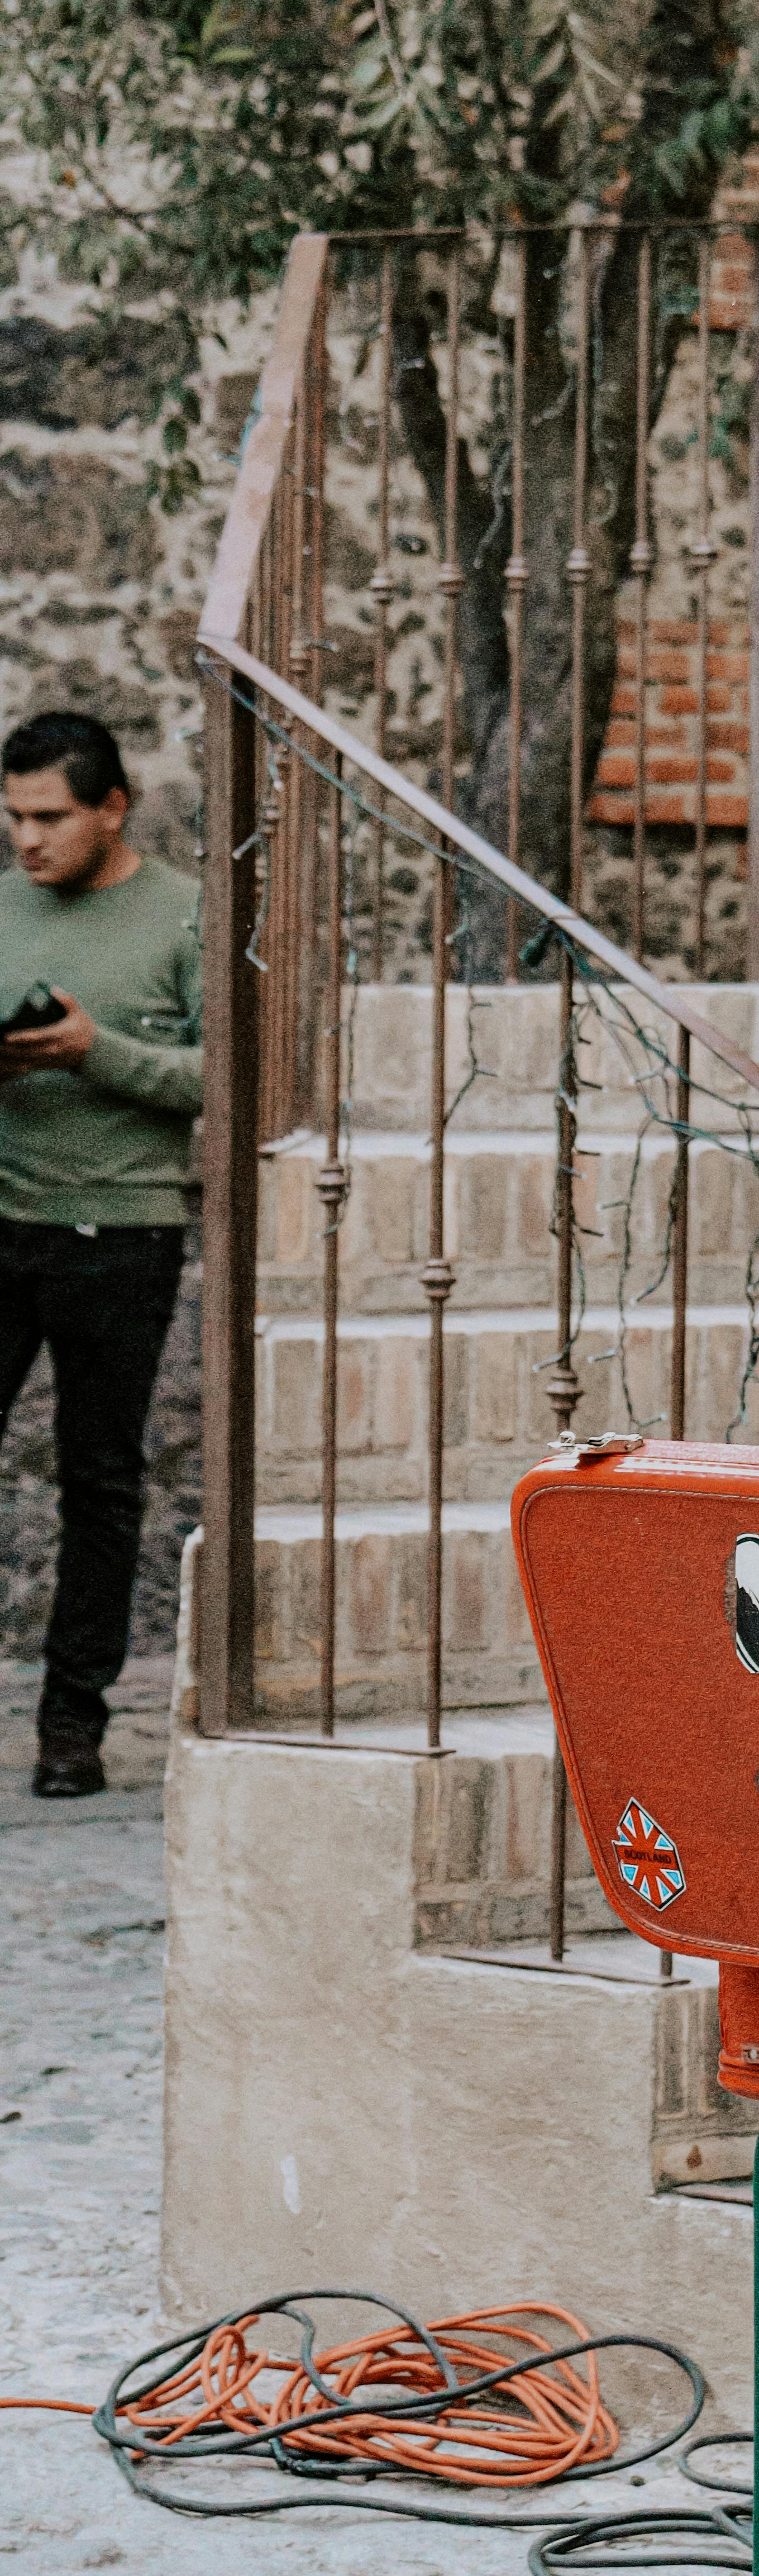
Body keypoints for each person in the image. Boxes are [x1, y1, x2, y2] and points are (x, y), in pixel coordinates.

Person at [0, 710, 202, 1800]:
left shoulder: (184, 917)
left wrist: (95, 1051)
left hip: (122, 1232)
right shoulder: (0, 903)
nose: (27, 841)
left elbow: (224, 1078)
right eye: (13, 816)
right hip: (1, 1220)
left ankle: (71, 1727)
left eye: (50, 818)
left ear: (112, 807)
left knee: (101, 1483)